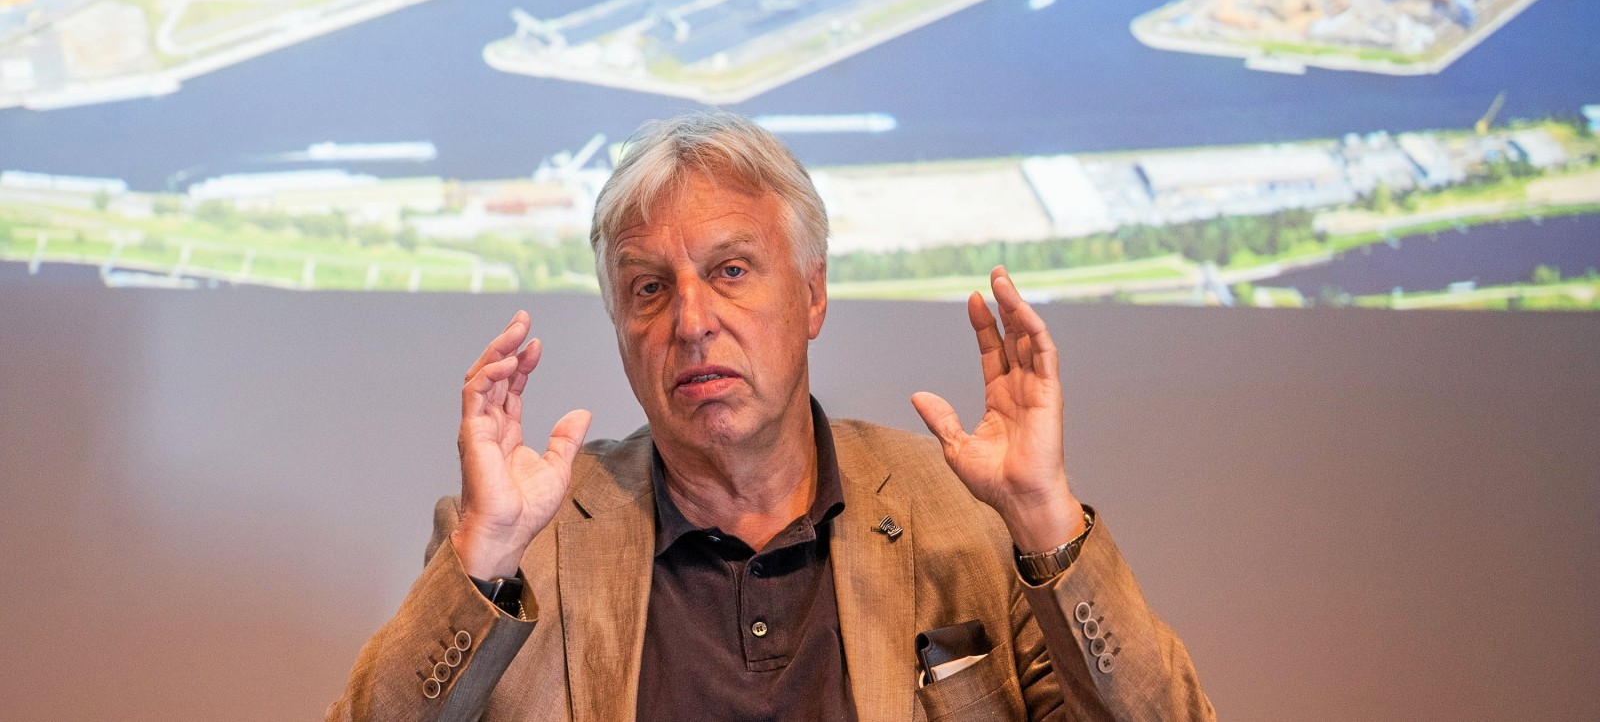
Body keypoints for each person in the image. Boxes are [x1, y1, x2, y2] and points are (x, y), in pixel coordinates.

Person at [328, 112, 1213, 721]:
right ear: (619, 326)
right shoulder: (529, 545)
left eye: (732, 270)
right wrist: (483, 556)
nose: (691, 320)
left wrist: (1046, 521)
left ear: (814, 294)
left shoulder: (971, 519)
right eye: (648, 288)